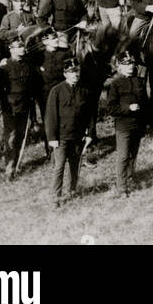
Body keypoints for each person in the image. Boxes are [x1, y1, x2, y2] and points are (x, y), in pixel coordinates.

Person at [45, 57, 93, 207]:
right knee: (59, 166)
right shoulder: (56, 91)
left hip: (78, 135)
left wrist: (89, 133)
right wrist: (52, 137)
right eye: (71, 72)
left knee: (75, 164)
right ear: (65, 74)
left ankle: (72, 190)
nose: (75, 74)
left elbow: (90, 114)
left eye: (77, 71)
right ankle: (55, 197)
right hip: (61, 136)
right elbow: (50, 116)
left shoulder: (85, 90)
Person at [0, 37, 42, 180]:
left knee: (21, 136)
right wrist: (2, 108)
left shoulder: (28, 65)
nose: (22, 49)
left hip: (25, 107)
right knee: (11, 138)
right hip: (10, 108)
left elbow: (34, 86)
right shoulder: (5, 67)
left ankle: (16, 164)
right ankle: (9, 169)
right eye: (18, 47)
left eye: (23, 47)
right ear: (11, 49)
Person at [106, 52, 148, 195]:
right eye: (126, 64)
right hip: (123, 126)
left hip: (138, 124)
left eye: (131, 64)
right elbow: (111, 108)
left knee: (133, 154)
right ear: (120, 67)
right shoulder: (115, 84)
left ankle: (130, 178)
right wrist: (128, 108)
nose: (130, 67)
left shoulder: (139, 80)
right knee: (123, 156)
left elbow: (145, 102)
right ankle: (121, 187)